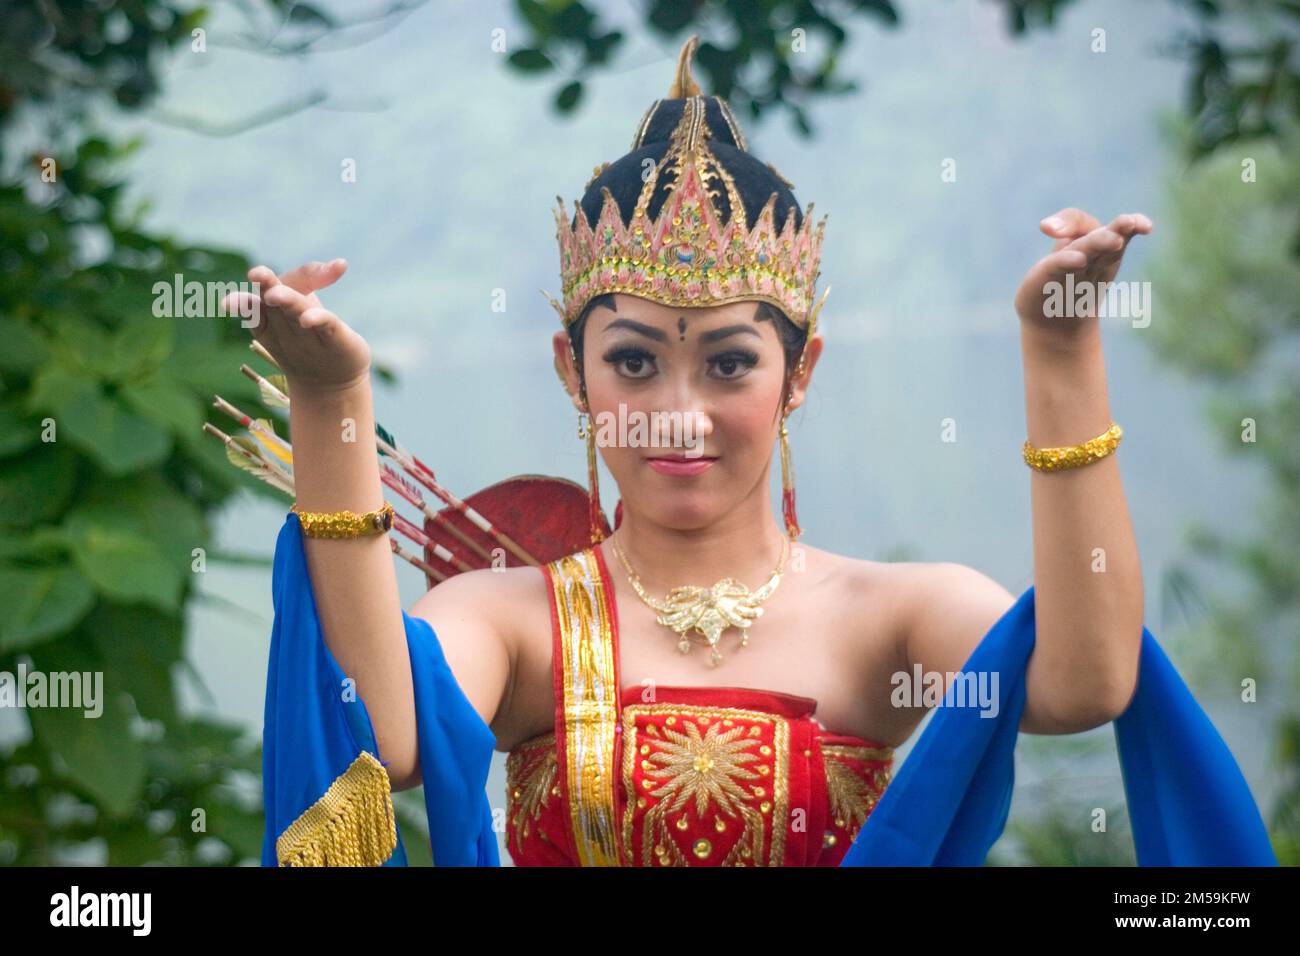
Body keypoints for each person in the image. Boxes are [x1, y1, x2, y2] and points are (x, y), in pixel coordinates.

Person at [240, 36, 1276, 866]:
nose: (678, 413)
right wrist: (332, 403)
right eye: (634, 363)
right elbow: (378, 739)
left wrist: (1059, 354)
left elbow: (1088, 679)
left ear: (801, 373)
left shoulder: (890, 621)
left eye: (730, 364)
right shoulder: (513, 620)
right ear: (572, 369)